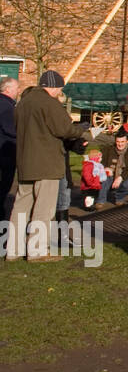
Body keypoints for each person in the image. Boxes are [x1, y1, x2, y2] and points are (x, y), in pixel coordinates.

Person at [11, 70, 87, 262]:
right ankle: (36, 251)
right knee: (43, 209)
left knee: (21, 207)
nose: (59, 92)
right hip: (46, 164)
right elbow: (65, 129)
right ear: (54, 87)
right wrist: (81, 130)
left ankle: (13, 249)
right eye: (60, 89)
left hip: (25, 162)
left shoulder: (23, 103)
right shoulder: (49, 103)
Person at [98, 128, 128, 208]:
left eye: (122, 142)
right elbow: (100, 163)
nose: (120, 144)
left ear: (127, 141)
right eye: (118, 142)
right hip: (110, 177)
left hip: (123, 177)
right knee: (104, 177)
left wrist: (121, 177)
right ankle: (101, 200)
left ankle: (118, 197)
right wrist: (105, 168)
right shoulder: (108, 149)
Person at [0, 76, 18, 217]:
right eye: (17, 88)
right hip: (5, 154)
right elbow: (12, 131)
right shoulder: (7, 107)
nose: (18, 91)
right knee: (3, 186)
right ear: (8, 89)